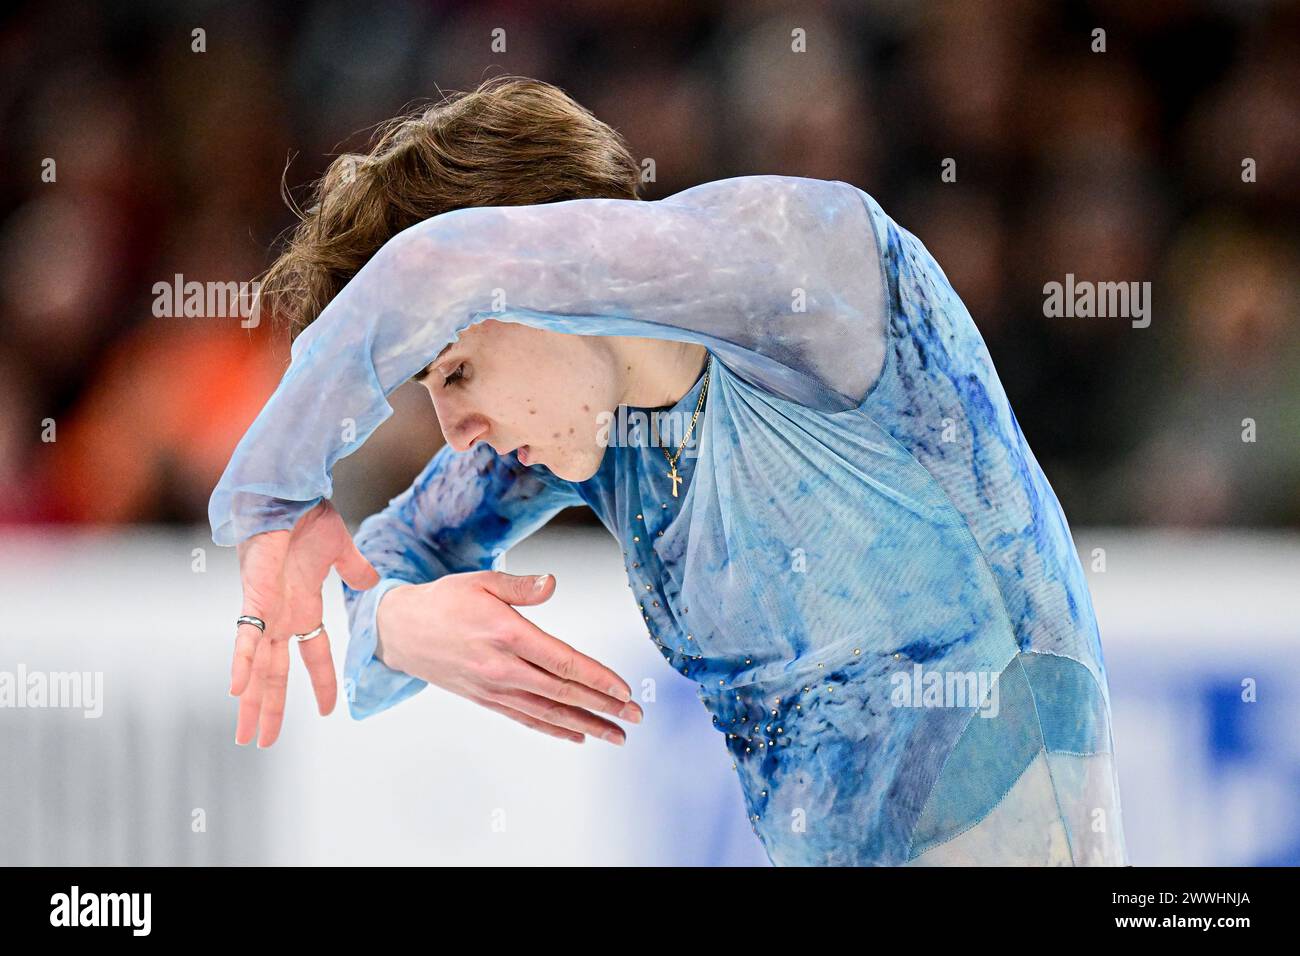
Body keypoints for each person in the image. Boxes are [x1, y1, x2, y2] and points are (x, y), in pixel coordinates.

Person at [210, 75, 1128, 866]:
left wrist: (269, 492)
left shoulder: (801, 268)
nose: (457, 433)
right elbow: (374, 600)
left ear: (547, 284)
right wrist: (395, 627)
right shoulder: (599, 439)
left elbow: (435, 267)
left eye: (456, 370)